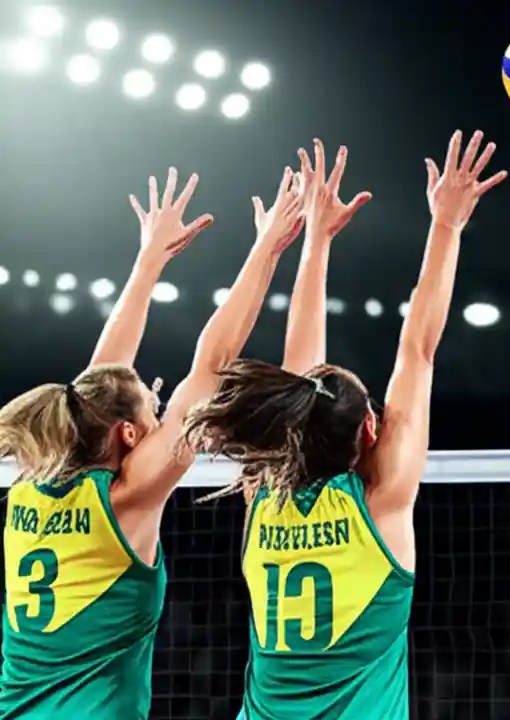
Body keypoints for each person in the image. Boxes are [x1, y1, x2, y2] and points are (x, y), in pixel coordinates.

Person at [182, 130, 507, 720]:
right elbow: (419, 350)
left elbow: (313, 377)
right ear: (370, 433)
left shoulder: (264, 498)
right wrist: (446, 226)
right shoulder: (380, 502)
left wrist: (316, 241)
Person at [0, 166, 305, 719]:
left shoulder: (30, 482)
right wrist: (268, 246)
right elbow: (211, 364)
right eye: (152, 403)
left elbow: (95, 386)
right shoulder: (126, 498)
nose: (162, 406)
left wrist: (150, 261)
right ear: (131, 434)